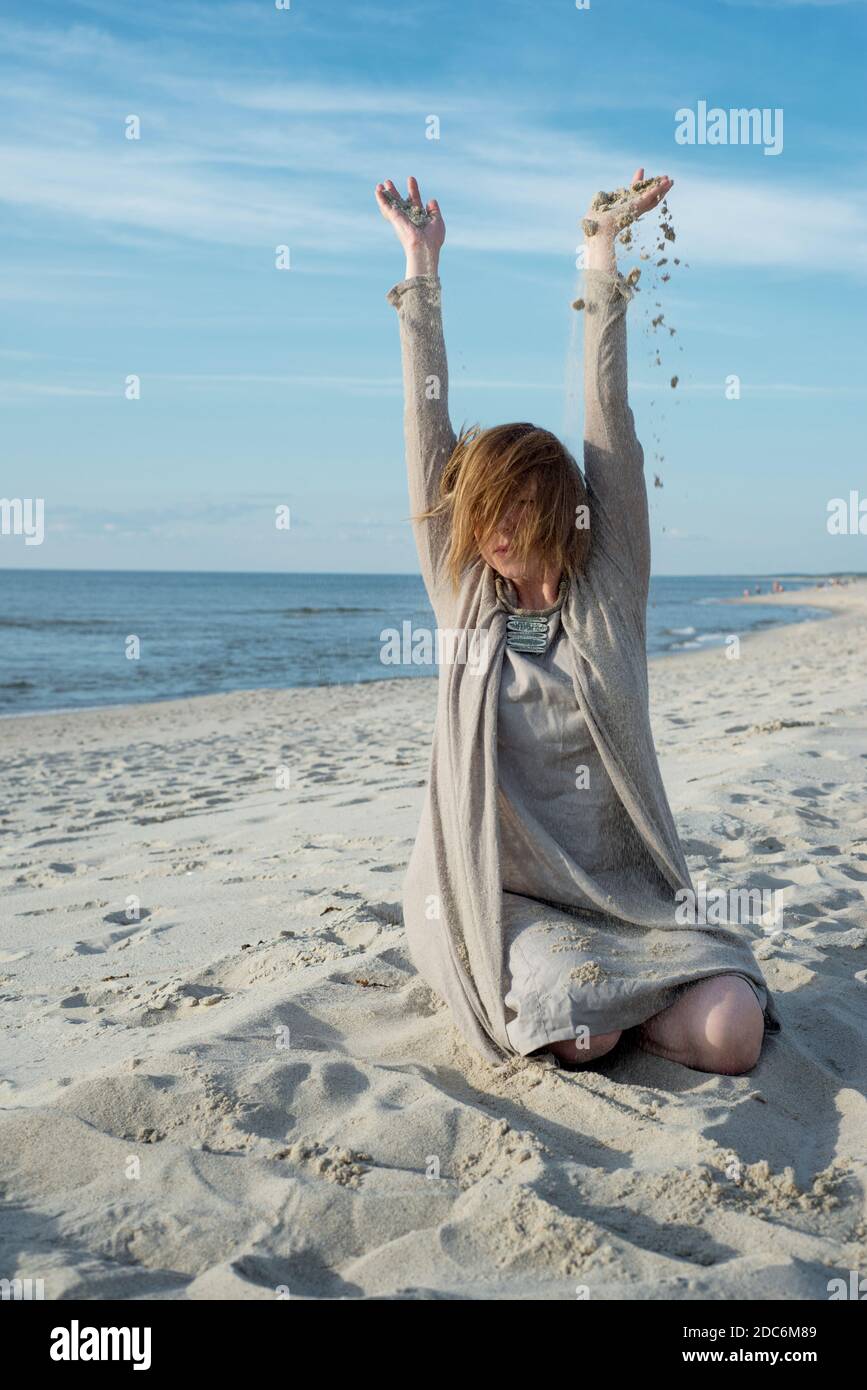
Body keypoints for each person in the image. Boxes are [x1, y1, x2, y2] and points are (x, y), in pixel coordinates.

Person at [376, 170, 780, 1074]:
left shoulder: (610, 586)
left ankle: (640, 1008)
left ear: (559, 513)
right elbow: (425, 425)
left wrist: (598, 253)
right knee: (577, 1029)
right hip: (508, 895)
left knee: (732, 1035)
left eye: (508, 513)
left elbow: (609, 423)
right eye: (476, 515)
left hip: (632, 900)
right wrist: (420, 270)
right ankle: (611, 1017)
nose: (486, 533)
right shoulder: (466, 595)